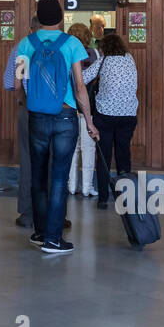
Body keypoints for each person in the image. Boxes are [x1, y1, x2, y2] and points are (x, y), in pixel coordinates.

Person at [12, 0, 96, 255]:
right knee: (58, 177)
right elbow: (80, 87)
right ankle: (53, 238)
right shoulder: (71, 44)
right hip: (64, 117)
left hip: (36, 116)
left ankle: (39, 233)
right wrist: (90, 122)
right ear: (61, 17)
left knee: (38, 176)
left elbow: (17, 84)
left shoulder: (26, 43)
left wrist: (26, 103)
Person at [85, 32, 140, 209]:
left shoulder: (103, 61)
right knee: (124, 155)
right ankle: (126, 197)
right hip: (128, 115)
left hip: (105, 116)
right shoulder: (130, 58)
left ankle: (103, 198)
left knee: (104, 157)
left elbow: (84, 78)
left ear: (104, 48)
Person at [2, 15, 41, 229]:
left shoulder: (23, 47)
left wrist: (23, 98)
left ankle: (27, 214)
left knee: (28, 161)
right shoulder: (63, 45)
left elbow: (14, 84)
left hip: (29, 109)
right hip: (57, 112)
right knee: (56, 163)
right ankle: (56, 214)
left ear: (31, 26)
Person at [65, 23, 100, 201]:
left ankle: (71, 185)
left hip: (70, 106)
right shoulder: (95, 54)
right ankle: (87, 187)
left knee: (71, 148)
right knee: (89, 147)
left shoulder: (67, 53)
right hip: (90, 106)